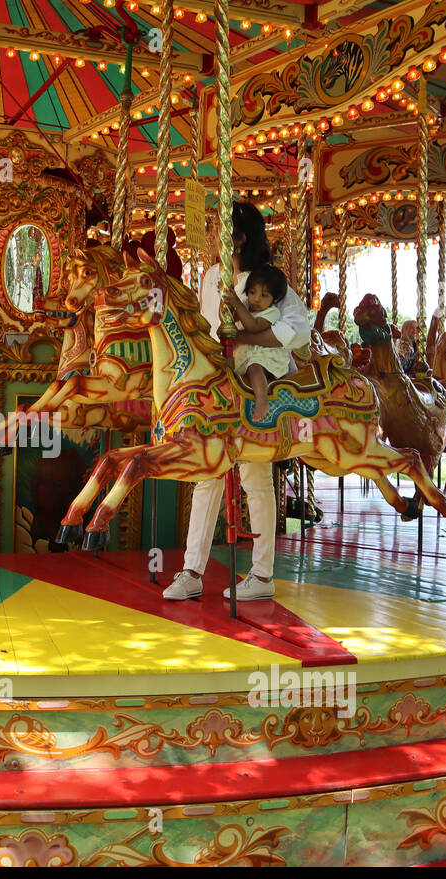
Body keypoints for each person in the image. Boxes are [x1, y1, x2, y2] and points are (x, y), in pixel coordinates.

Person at [163, 202, 311, 603]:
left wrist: (246, 337)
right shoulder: (212, 275)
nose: (212, 235)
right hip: (217, 385)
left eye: (218, 228)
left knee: (255, 477)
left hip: (252, 382)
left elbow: (297, 329)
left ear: (240, 238)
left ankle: (262, 574)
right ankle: (192, 570)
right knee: (208, 476)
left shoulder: (266, 280)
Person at [231, 264, 290, 423]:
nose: (256, 299)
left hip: (265, 355)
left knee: (254, 367)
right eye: (252, 292)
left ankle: (262, 401)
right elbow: (230, 319)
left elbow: (253, 326)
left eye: (264, 295)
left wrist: (236, 303)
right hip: (244, 353)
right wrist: (227, 301)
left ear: (275, 298)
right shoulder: (246, 306)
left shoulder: (272, 312)